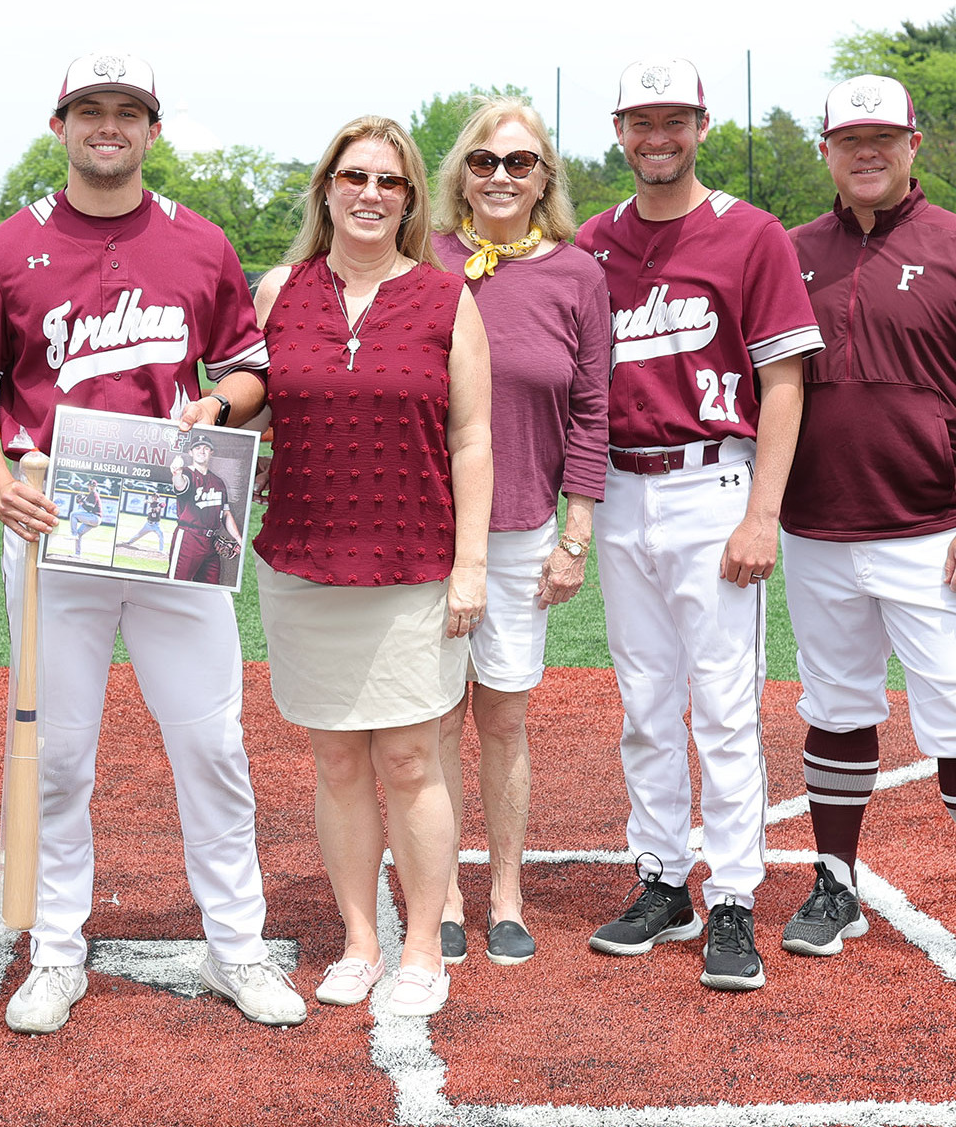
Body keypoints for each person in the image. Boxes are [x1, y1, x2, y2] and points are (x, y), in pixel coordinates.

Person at [0, 50, 305, 1033]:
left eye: (125, 111)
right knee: (54, 756)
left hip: (175, 520)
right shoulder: (7, 247)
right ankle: (55, 951)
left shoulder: (198, 243)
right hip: (57, 516)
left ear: (150, 127)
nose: (107, 126)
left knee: (212, 742)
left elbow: (249, 370)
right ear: (58, 124)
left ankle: (235, 944)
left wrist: (218, 401)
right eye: (88, 109)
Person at [784, 75, 956, 993]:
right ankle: (835, 880)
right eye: (849, 137)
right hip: (813, 527)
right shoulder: (790, 252)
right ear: (826, 149)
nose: (867, 151)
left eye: (884, 136)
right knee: (836, 705)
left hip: (932, 529)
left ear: (912, 145)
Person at [575, 58, 821, 992]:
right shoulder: (593, 243)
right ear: (620, 130)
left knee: (723, 705)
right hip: (622, 490)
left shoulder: (750, 234)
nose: (657, 137)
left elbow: (786, 381)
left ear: (702, 126)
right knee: (644, 702)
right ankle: (662, 877)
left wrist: (764, 511)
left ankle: (735, 896)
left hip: (714, 485)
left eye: (673, 120)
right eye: (642, 121)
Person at [252, 115, 493, 1017]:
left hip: (412, 561)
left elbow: (472, 437)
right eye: (354, 176)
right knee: (339, 762)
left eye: (389, 182)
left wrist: (470, 565)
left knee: (408, 757)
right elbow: (252, 409)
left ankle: (423, 945)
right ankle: (360, 939)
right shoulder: (281, 289)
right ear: (326, 188)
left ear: (410, 198)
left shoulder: (446, 295)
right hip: (305, 562)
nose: (369, 194)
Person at [427, 98, 611, 967]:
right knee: (427, 721)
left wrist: (575, 535)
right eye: (484, 160)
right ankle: (440, 894)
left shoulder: (578, 275)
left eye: (521, 162)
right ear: (460, 172)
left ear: (545, 179)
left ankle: (503, 891)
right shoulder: (421, 260)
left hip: (523, 531)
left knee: (501, 718)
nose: (501, 176)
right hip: (421, 531)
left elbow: (591, 408)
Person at [167, 433, 244, 584]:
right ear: (191, 452)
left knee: (210, 590)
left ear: (211, 452)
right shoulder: (187, 473)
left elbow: (226, 513)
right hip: (189, 538)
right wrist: (176, 474)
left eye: (206, 448)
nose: (201, 451)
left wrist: (238, 538)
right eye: (197, 448)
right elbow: (180, 484)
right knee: (175, 585)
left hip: (211, 543)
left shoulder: (218, 482)